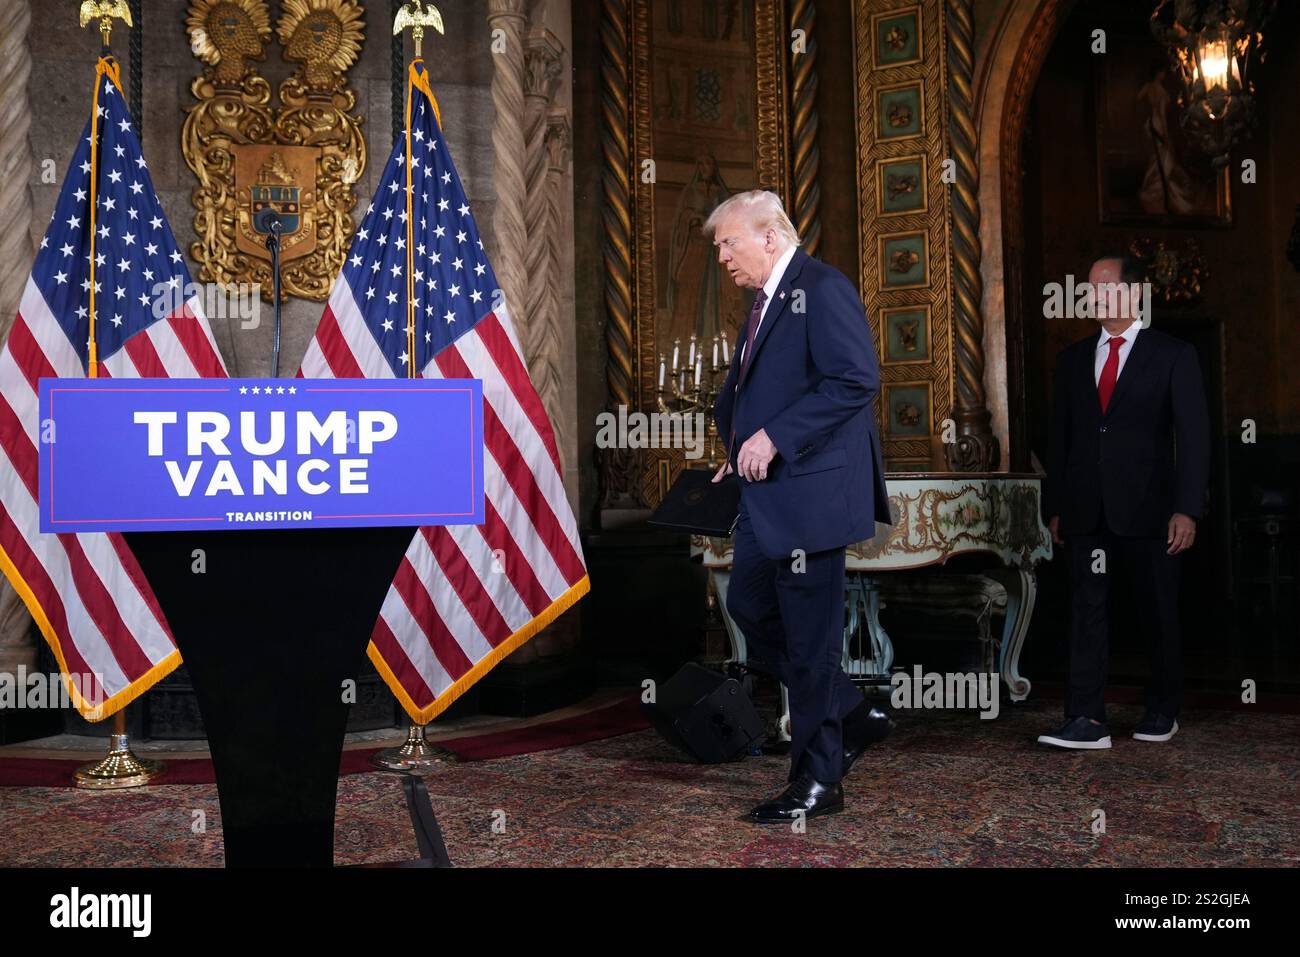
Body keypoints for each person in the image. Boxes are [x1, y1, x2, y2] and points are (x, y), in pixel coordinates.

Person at [708, 190, 892, 822]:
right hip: (769, 496)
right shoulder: (761, 304)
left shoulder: (823, 287)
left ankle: (818, 782)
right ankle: (849, 709)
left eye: (728, 242)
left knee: (811, 646)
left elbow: (857, 378)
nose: (721, 256)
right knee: (747, 604)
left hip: (812, 495)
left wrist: (775, 437)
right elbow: (761, 394)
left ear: (769, 236)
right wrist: (740, 447)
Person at [1039, 255, 1210, 750]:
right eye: (1088, 288)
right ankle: (1086, 720)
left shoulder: (1173, 355)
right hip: (1086, 512)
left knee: (1158, 610)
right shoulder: (1072, 359)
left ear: (1136, 294)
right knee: (1087, 610)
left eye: (1104, 287)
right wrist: (1057, 506)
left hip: (1154, 513)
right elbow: (1061, 441)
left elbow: (1194, 439)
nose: (1092, 296)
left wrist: (1188, 508)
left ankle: (1162, 708)